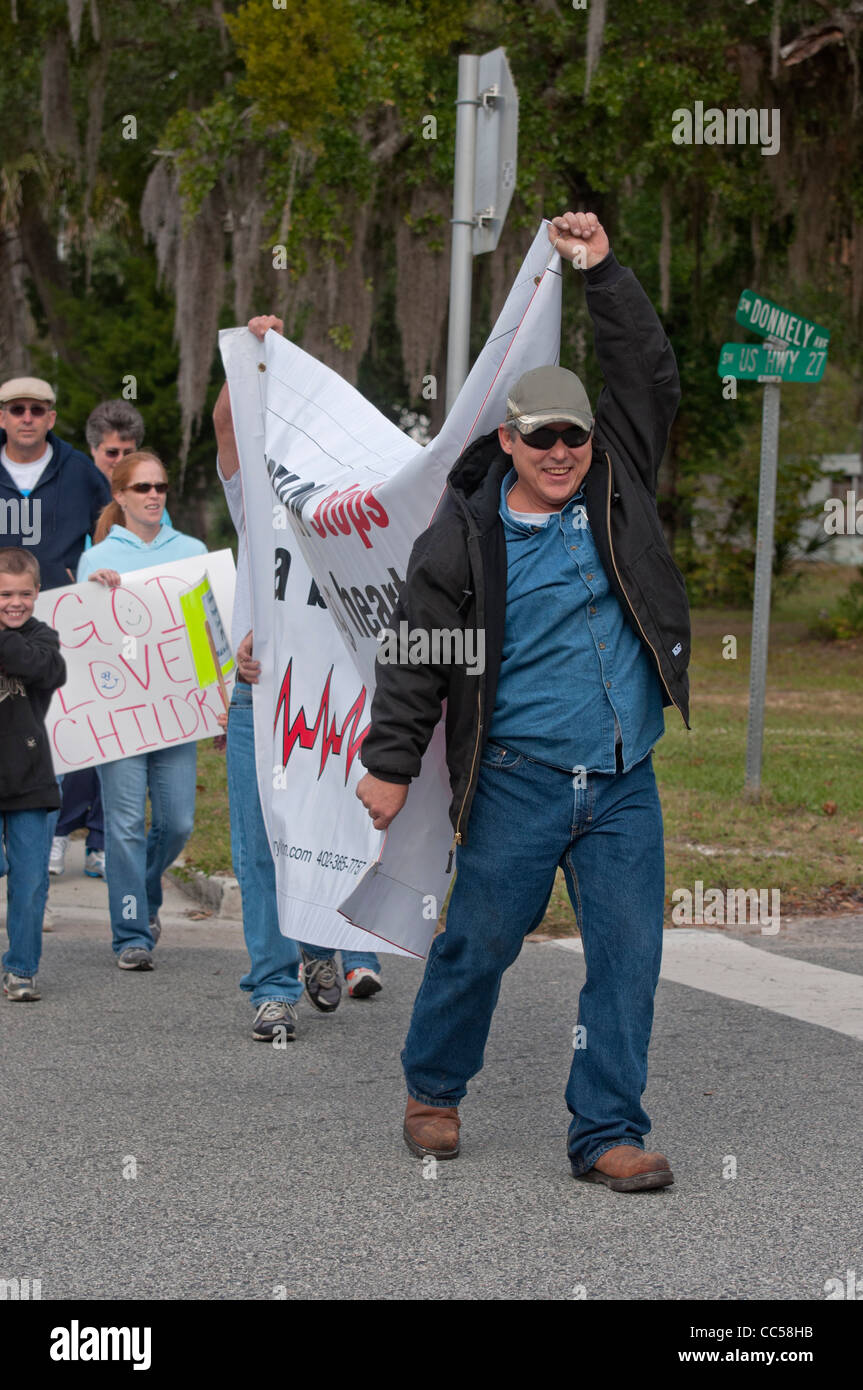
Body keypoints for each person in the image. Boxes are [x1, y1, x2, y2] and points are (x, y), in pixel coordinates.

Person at [356, 211, 691, 1193]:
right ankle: (432, 1085)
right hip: (515, 779)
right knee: (480, 943)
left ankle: (606, 1131)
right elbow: (417, 655)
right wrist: (386, 762)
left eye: (572, 436)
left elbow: (647, 377)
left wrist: (599, 272)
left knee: (627, 960)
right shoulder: (462, 538)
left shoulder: (616, 484)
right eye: (539, 437)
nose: (559, 452)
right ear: (507, 438)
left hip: (622, 778)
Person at [213, 316, 382, 1039]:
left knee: (331, 831)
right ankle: (272, 988)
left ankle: (321, 942)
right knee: (258, 846)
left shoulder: (357, 520)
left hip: (339, 705)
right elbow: (226, 424)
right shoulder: (257, 495)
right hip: (262, 698)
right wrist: (252, 355)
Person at [76, 451, 207, 969]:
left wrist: (214, 698)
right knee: (126, 825)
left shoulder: (193, 550)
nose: (154, 495)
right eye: (142, 488)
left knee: (177, 821)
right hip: (120, 712)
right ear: (120, 496)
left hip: (177, 711)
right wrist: (95, 596)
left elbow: (205, 634)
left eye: (160, 486)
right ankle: (131, 932)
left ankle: (146, 885)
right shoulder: (99, 559)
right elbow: (86, 640)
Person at [50, 400, 148, 880]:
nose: (119, 460)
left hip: (129, 640)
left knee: (118, 741)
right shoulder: (71, 492)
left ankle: (101, 841)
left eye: (128, 451)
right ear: (93, 452)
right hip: (77, 634)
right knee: (76, 735)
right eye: (112, 453)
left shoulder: (147, 504)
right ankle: (61, 831)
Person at [0, 548, 66, 1001]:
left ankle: (21, 969)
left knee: (29, 884)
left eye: (24, 593)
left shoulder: (43, 638)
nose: (15, 602)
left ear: (38, 593)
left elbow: (47, 670)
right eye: (4, 594)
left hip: (30, 781)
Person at [0, 377, 110, 589]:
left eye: (37, 410)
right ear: (2, 418)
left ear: (51, 419)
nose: (27, 418)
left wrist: (81, 575)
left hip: (64, 608)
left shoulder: (81, 472)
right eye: (17, 410)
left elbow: (112, 540)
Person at [85, 400, 145, 482]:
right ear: (93, 449)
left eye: (128, 454)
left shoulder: (153, 490)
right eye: (112, 452)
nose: (121, 460)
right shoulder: (72, 491)